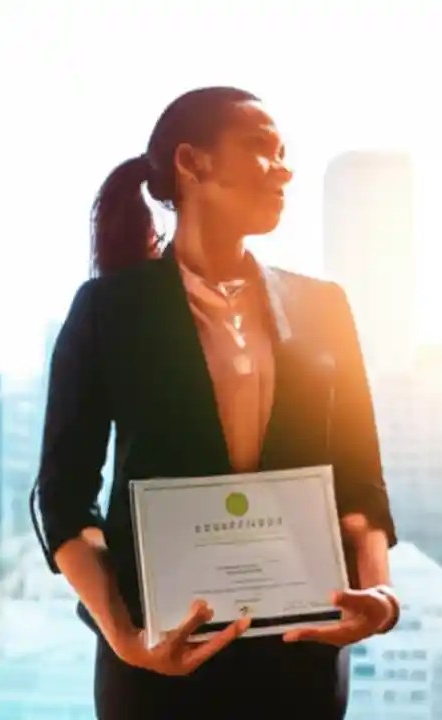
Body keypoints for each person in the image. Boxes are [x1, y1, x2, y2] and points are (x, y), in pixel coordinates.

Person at [30, 86, 400, 719]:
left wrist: (382, 595)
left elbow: (361, 482)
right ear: (191, 162)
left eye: (284, 153)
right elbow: (64, 499)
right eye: (262, 148)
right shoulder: (108, 310)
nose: (284, 170)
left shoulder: (323, 307)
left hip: (299, 663)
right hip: (159, 668)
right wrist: (126, 637)